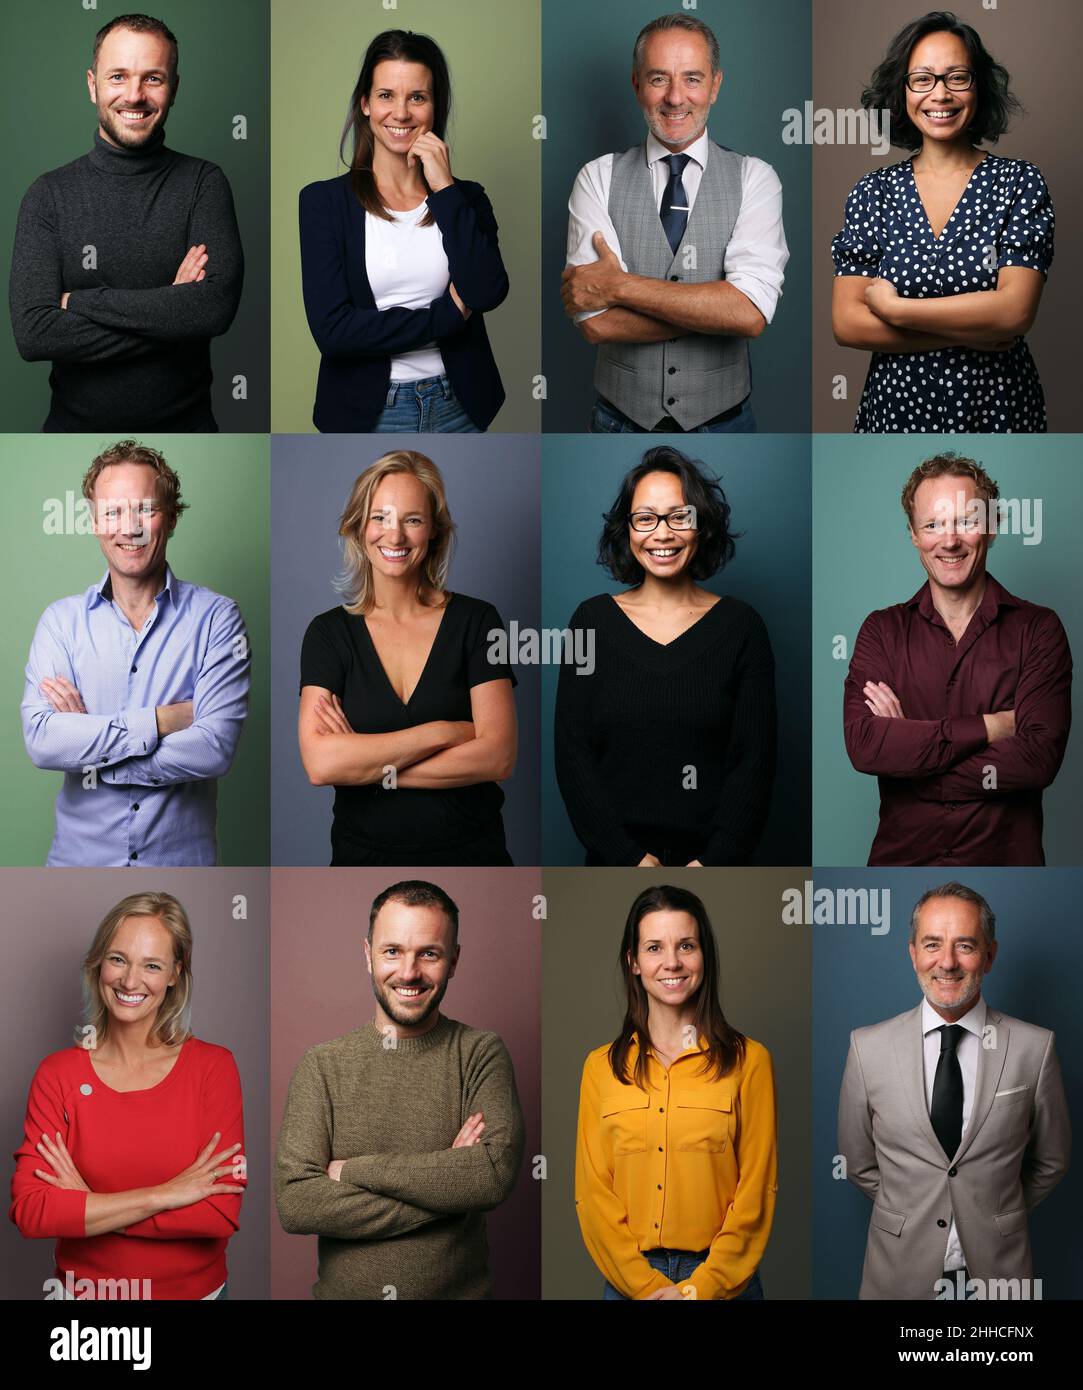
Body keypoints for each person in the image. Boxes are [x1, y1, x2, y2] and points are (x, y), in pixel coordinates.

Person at [275, 880, 525, 1300]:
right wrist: (447, 1183)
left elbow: (491, 1176)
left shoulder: (481, 1053)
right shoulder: (322, 1065)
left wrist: (353, 1171)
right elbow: (297, 1204)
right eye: (392, 951)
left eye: (429, 953)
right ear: (367, 955)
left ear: (455, 960)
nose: (409, 972)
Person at [8, 13, 243, 432]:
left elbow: (213, 310)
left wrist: (80, 302)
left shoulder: (203, 183)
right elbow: (34, 333)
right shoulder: (48, 195)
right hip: (72, 436)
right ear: (92, 84)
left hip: (188, 433)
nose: (134, 96)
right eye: (118, 76)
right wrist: (171, 310)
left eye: (153, 78)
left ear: (174, 88)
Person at [20, 440, 251, 867]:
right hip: (77, 870)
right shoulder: (60, 622)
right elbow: (43, 742)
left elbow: (214, 748)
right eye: (113, 512)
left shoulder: (218, 619)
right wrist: (161, 721)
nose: (130, 528)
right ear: (94, 522)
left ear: (173, 516)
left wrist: (92, 746)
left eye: (145, 509)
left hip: (183, 873)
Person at [9, 892, 247, 1301]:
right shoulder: (58, 1074)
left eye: (151, 965)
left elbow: (219, 1214)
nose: (130, 981)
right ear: (98, 962)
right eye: (118, 959)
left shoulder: (214, 1068)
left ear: (175, 973)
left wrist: (87, 1206)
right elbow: (32, 1212)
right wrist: (165, 1195)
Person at [838, 882, 1070, 1300]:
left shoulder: (1035, 1048)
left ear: (990, 956)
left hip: (1001, 1276)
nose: (947, 963)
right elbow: (858, 1163)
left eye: (965, 945)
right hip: (896, 1273)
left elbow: (1051, 1161)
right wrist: (913, 1210)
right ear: (912, 954)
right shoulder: (866, 1048)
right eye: (932, 945)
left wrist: (992, 1213)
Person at [561, 12, 788, 433]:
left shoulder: (756, 178)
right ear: (636, 85)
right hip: (617, 421)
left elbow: (750, 313)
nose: (676, 98)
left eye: (693, 79)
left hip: (726, 423)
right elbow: (596, 321)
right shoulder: (597, 177)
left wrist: (618, 286)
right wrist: (714, 311)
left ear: (715, 85)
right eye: (659, 79)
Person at [843, 453, 1071, 866]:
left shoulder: (1039, 629)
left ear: (993, 526)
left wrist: (912, 757)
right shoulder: (881, 631)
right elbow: (865, 748)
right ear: (913, 534)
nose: (949, 541)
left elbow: (1038, 760)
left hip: (1007, 869)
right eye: (933, 524)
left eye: (966, 521)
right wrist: (991, 726)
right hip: (899, 868)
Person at [831, 11, 1052, 433]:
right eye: (923, 79)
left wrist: (896, 308)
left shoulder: (1020, 182)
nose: (940, 94)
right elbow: (847, 322)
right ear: (903, 91)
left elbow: (1014, 312)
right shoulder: (872, 192)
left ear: (978, 87)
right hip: (896, 409)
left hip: (997, 406)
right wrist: (966, 334)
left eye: (957, 77)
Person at [555, 446, 776, 866]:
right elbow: (574, 756)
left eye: (680, 516)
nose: (662, 533)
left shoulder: (742, 628)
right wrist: (629, 857)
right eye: (646, 518)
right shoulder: (590, 622)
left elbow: (755, 761)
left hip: (718, 868)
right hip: (614, 868)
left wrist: (714, 862)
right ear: (628, 528)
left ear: (701, 526)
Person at [297, 450, 517, 866]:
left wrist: (367, 766)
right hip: (362, 861)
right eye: (380, 517)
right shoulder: (327, 634)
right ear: (358, 527)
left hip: (473, 859)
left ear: (434, 529)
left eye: (412, 519)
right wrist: (444, 732)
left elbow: (498, 757)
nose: (394, 536)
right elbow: (322, 764)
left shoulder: (479, 621)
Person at [299, 29, 508, 433]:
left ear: (435, 107)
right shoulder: (323, 203)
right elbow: (334, 332)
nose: (401, 113)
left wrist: (445, 189)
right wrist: (447, 315)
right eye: (386, 95)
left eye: (417, 97)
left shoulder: (466, 198)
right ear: (364, 103)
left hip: (459, 403)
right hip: (370, 410)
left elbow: (487, 291)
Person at [575, 884, 777, 1300]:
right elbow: (593, 1195)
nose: (672, 962)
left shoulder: (750, 1061)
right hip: (631, 1283)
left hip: (723, 1281)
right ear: (633, 961)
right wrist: (646, 1287)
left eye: (686, 945)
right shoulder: (600, 1068)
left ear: (704, 957)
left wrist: (702, 1288)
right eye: (653, 947)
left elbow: (757, 1190)